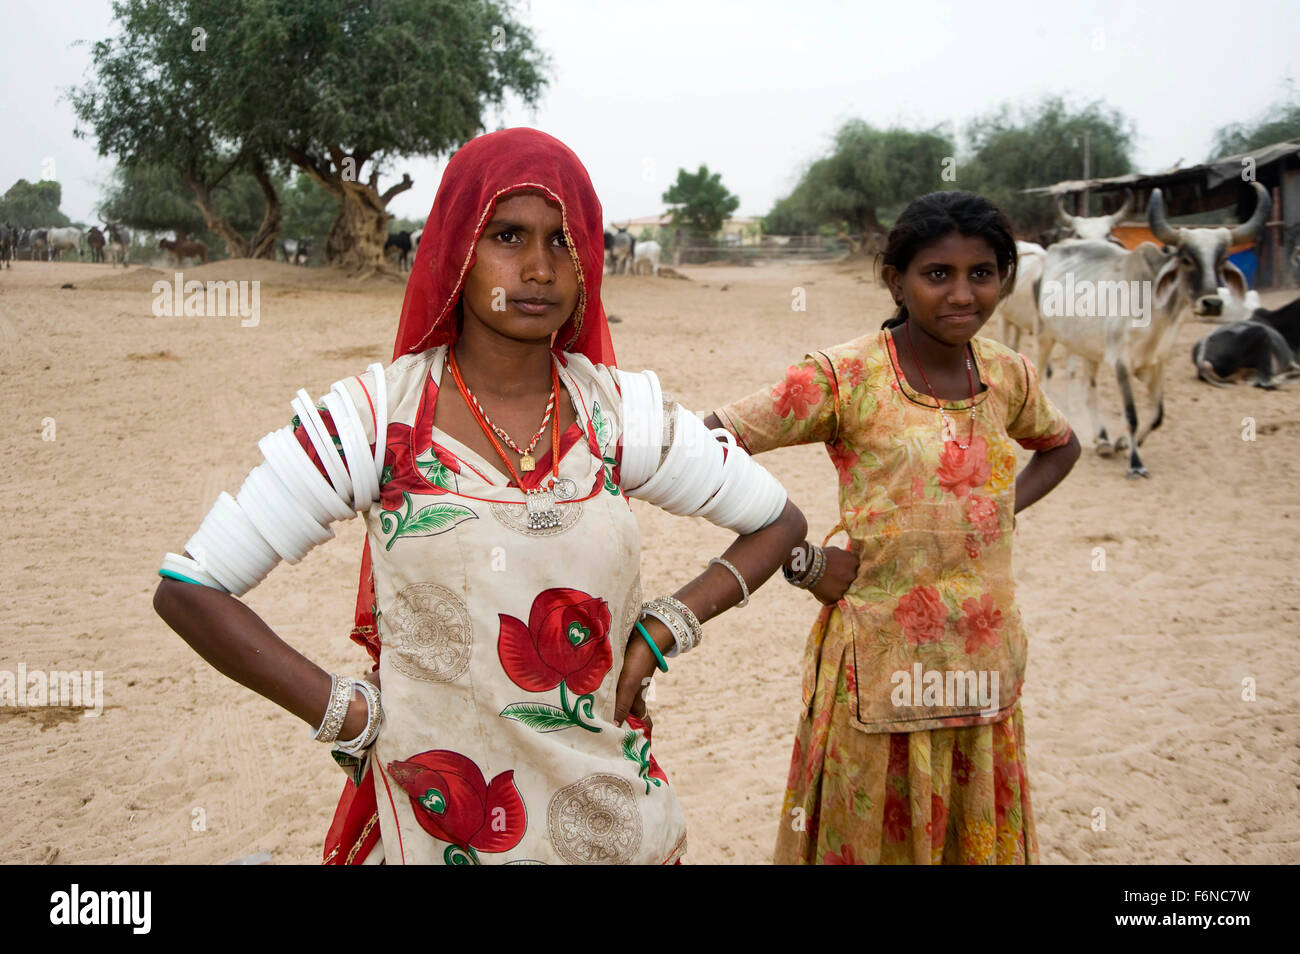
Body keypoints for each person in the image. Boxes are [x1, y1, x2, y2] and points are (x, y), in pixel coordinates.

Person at [152, 127, 807, 865]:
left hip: (613, 826)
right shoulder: (378, 420)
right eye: (508, 235)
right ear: (457, 249)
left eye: (563, 241)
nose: (538, 267)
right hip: (435, 832)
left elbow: (777, 521)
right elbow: (190, 589)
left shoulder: (621, 416)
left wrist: (661, 632)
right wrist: (351, 717)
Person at [704, 190, 1081, 864]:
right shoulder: (845, 378)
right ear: (896, 281)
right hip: (877, 672)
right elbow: (712, 442)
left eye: (983, 273)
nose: (963, 294)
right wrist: (802, 560)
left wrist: (991, 513)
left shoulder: (1009, 376)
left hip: (980, 665)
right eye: (938, 274)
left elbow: (1061, 446)